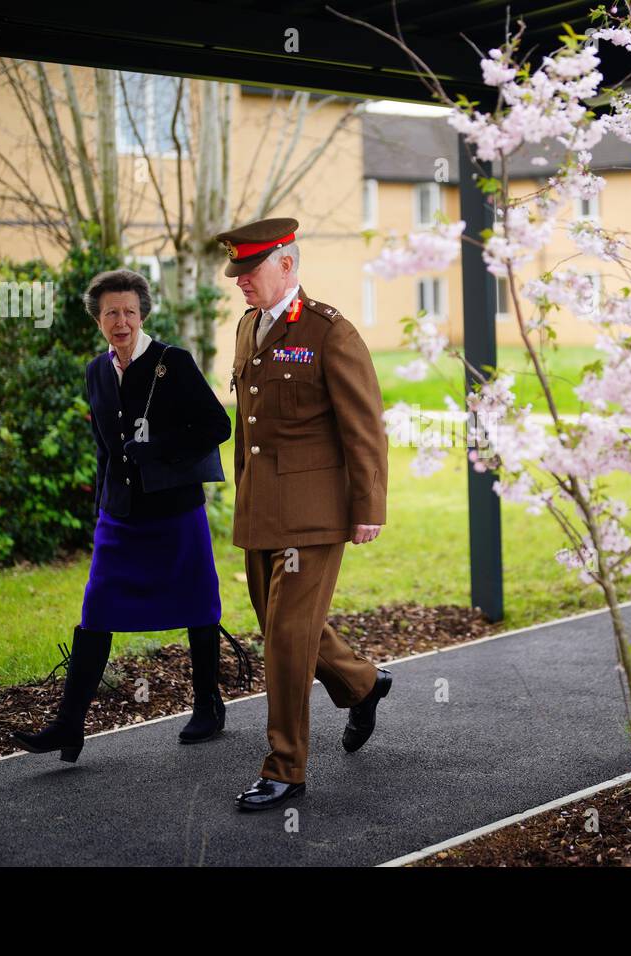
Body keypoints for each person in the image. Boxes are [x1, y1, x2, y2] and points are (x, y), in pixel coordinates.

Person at [10, 269, 232, 762]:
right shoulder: (95, 371)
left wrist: (159, 449)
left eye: (129, 311)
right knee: (97, 611)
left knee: (197, 602)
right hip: (119, 514)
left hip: (176, 509)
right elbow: (103, 451)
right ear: (98, 320)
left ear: (142, 314)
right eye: (111, 312)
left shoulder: (172, 362)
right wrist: (99, 512)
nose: (121, 321)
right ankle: (69, 725)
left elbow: (218, 426)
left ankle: (208, 705)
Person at [217, 217, 391, 812]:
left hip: (315, 514)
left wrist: (368, 506)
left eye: (250, 270)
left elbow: (364, 426)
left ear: (286, 265)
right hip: (261, 509)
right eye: (237, 272)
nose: (240, 282)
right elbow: (251, 429)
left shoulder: (328, 331)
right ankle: (363, 684)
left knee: (287, 640)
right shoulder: (248, 328)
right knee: (280, 626)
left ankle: (285, 767)